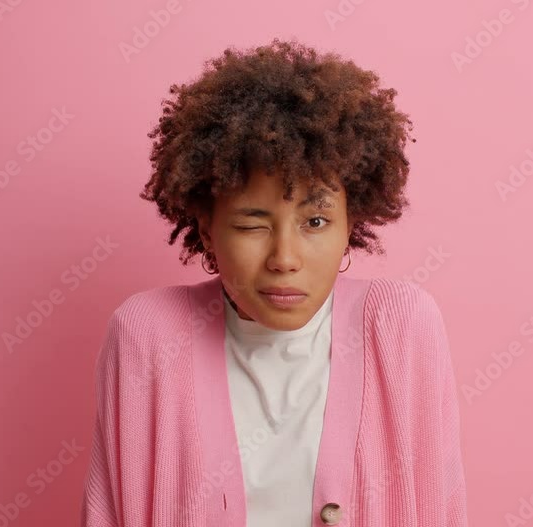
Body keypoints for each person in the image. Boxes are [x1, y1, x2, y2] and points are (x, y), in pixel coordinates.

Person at [80, 37, 467, 527]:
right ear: (206, 227)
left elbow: (442, 506)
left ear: (352, 225)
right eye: (251, 224)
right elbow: (111, 512)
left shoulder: (399, 324)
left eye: (316, 223)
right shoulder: (148, 334)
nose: (285, 259)